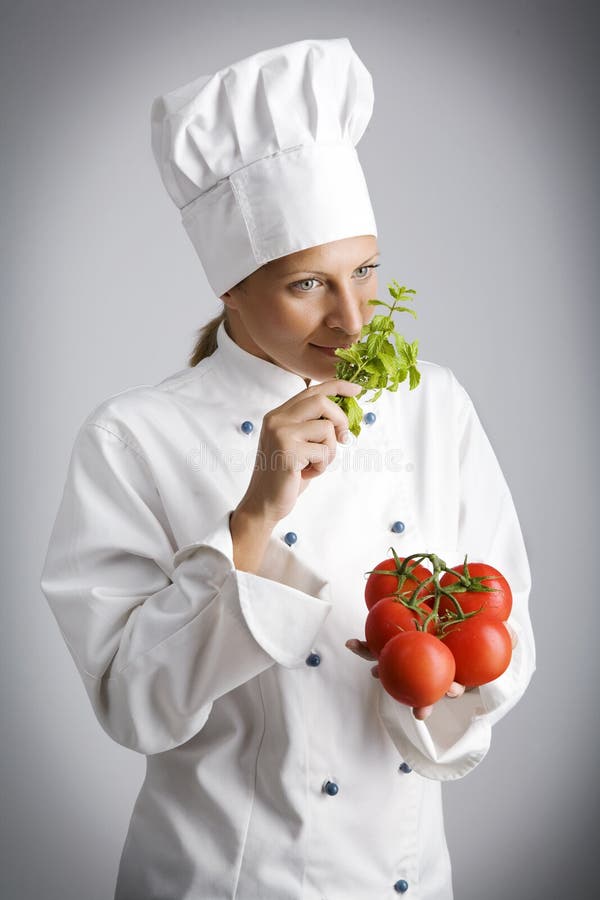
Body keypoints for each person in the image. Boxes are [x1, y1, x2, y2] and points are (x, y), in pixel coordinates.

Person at [40, 37, 535, 900]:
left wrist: (437, 682)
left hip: (409, 878)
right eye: (308, 285)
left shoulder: (434, 404)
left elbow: (506, 632)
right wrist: (253, 522)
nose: (353, 319)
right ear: (229, 287)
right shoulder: (134, 436)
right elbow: (133, 704)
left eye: (365, 272)